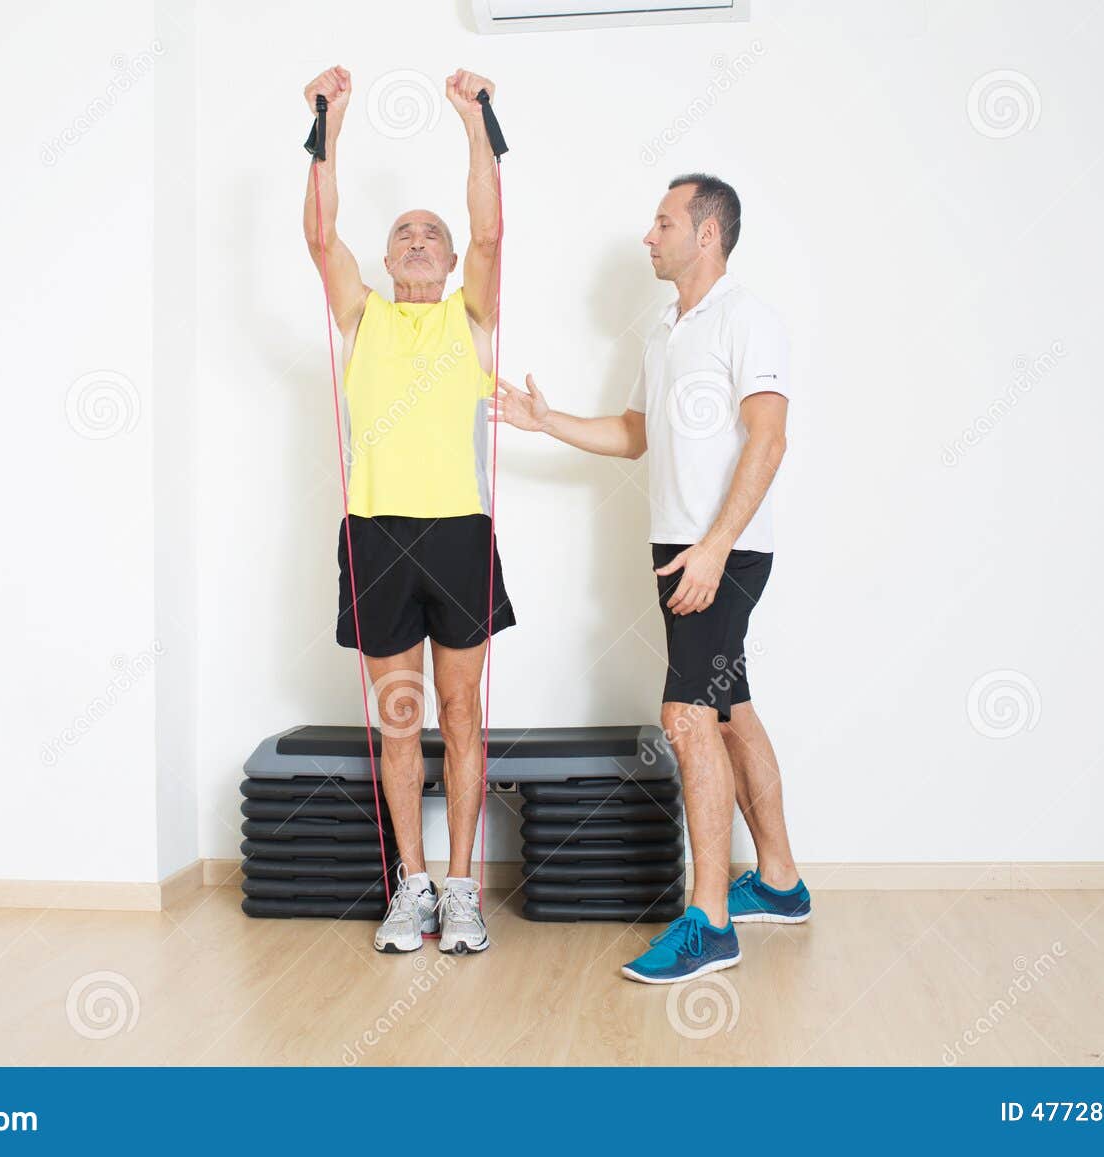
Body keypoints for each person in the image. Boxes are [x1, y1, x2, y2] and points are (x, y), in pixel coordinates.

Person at [492, 174, 809, 984]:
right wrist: (548, 420)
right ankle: (779, 881)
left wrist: (713, 547)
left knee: (686, 714)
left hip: (723, 553)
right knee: (729, 711)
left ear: (707, 233)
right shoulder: (665, 331)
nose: (648, 236)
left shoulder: (748, 318)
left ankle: (709, 920)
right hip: (677, 547)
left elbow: (768, 440)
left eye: (663, 222)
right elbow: (635, 434)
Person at [302, 65, 513, 955]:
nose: (421, 238)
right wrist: (328, 123)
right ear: (386, 261)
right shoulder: (362, 317)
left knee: (461, 716)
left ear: (451, 255)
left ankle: (462, 888)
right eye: (405, 233)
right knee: (398, 717)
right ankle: (412, 886)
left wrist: (476, 124)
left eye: (434, 232)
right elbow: (320, 234)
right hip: (377, 533)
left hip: (460, 531)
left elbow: (493, 228)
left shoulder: (472, 316)